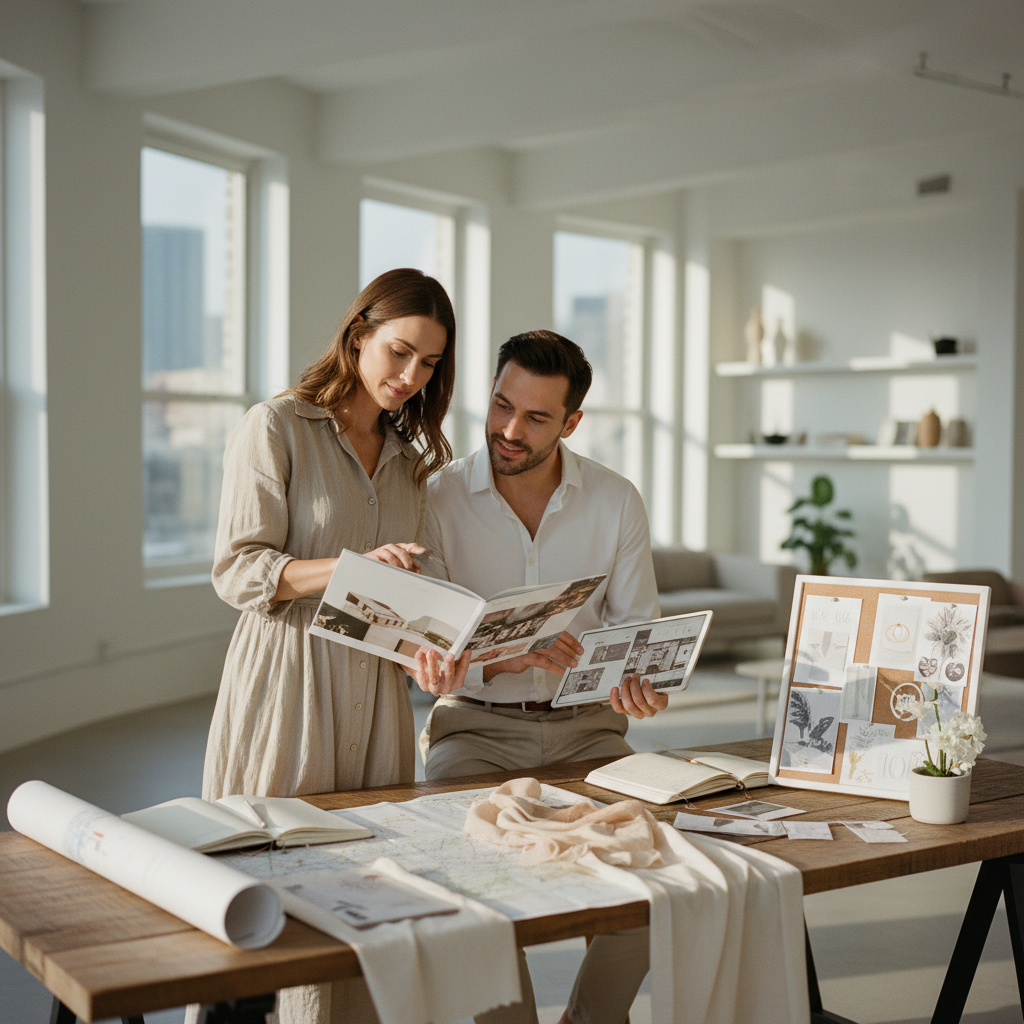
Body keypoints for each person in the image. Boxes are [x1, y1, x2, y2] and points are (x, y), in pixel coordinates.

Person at [202, 267, 460, 1024]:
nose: (410, 377)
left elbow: (408, 599)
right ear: (357, 336)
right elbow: (238, 568)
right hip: (287, 683)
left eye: (429, 364)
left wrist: (429, 652)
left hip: (376, 700)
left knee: (364, 894)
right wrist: (350, 570)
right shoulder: (277, 426)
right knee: (269, 888)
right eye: (399, 352)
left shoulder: (411, 463)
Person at [418, 330, 666, 1024]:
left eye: (535, 417)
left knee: (657, 875)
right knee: (466, 883)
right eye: (502, 405)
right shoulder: (436, 498)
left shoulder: (615, 500)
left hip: (591, 733)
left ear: (571, 423)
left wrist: (641, 685)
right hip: (473, 731)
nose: (509, 430)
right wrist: (506, 654)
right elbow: (428, 652)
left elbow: (636, 631)